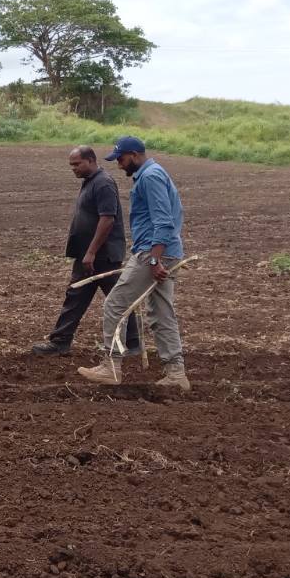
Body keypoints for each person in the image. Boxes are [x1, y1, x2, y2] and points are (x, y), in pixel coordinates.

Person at [78, 137, 191, 390]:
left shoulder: (150, 177)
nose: (118, 164)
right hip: (166, 252)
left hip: (154, 252)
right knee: (162, 313)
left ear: (134, 155)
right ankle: (176, 374)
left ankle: (111, 366)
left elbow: (163, 221)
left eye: (121, 158)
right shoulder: (153, 173)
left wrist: (153, 259)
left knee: (115, 304)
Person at [32, 146, 141, 356]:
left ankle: (132, 343)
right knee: (83, 296)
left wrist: (91, 252)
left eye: (77, 164)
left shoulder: (103, 183)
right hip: (90, 254)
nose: (73, 168)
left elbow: (108, 219)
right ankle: (62, 341)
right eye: (71, 165)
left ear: (90, 161)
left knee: (113, 298)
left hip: (102, 255)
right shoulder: (91, 182)